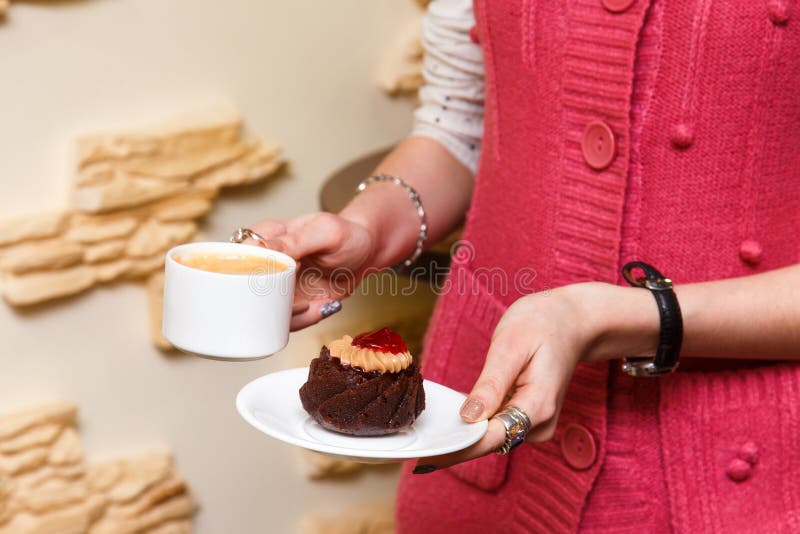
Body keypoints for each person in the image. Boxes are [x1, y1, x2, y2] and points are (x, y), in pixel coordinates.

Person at [247, 0, 800, 531]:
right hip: (481, 456)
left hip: (739, 476)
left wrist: (633, 317)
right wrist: (371, 229)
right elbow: (463, 123)